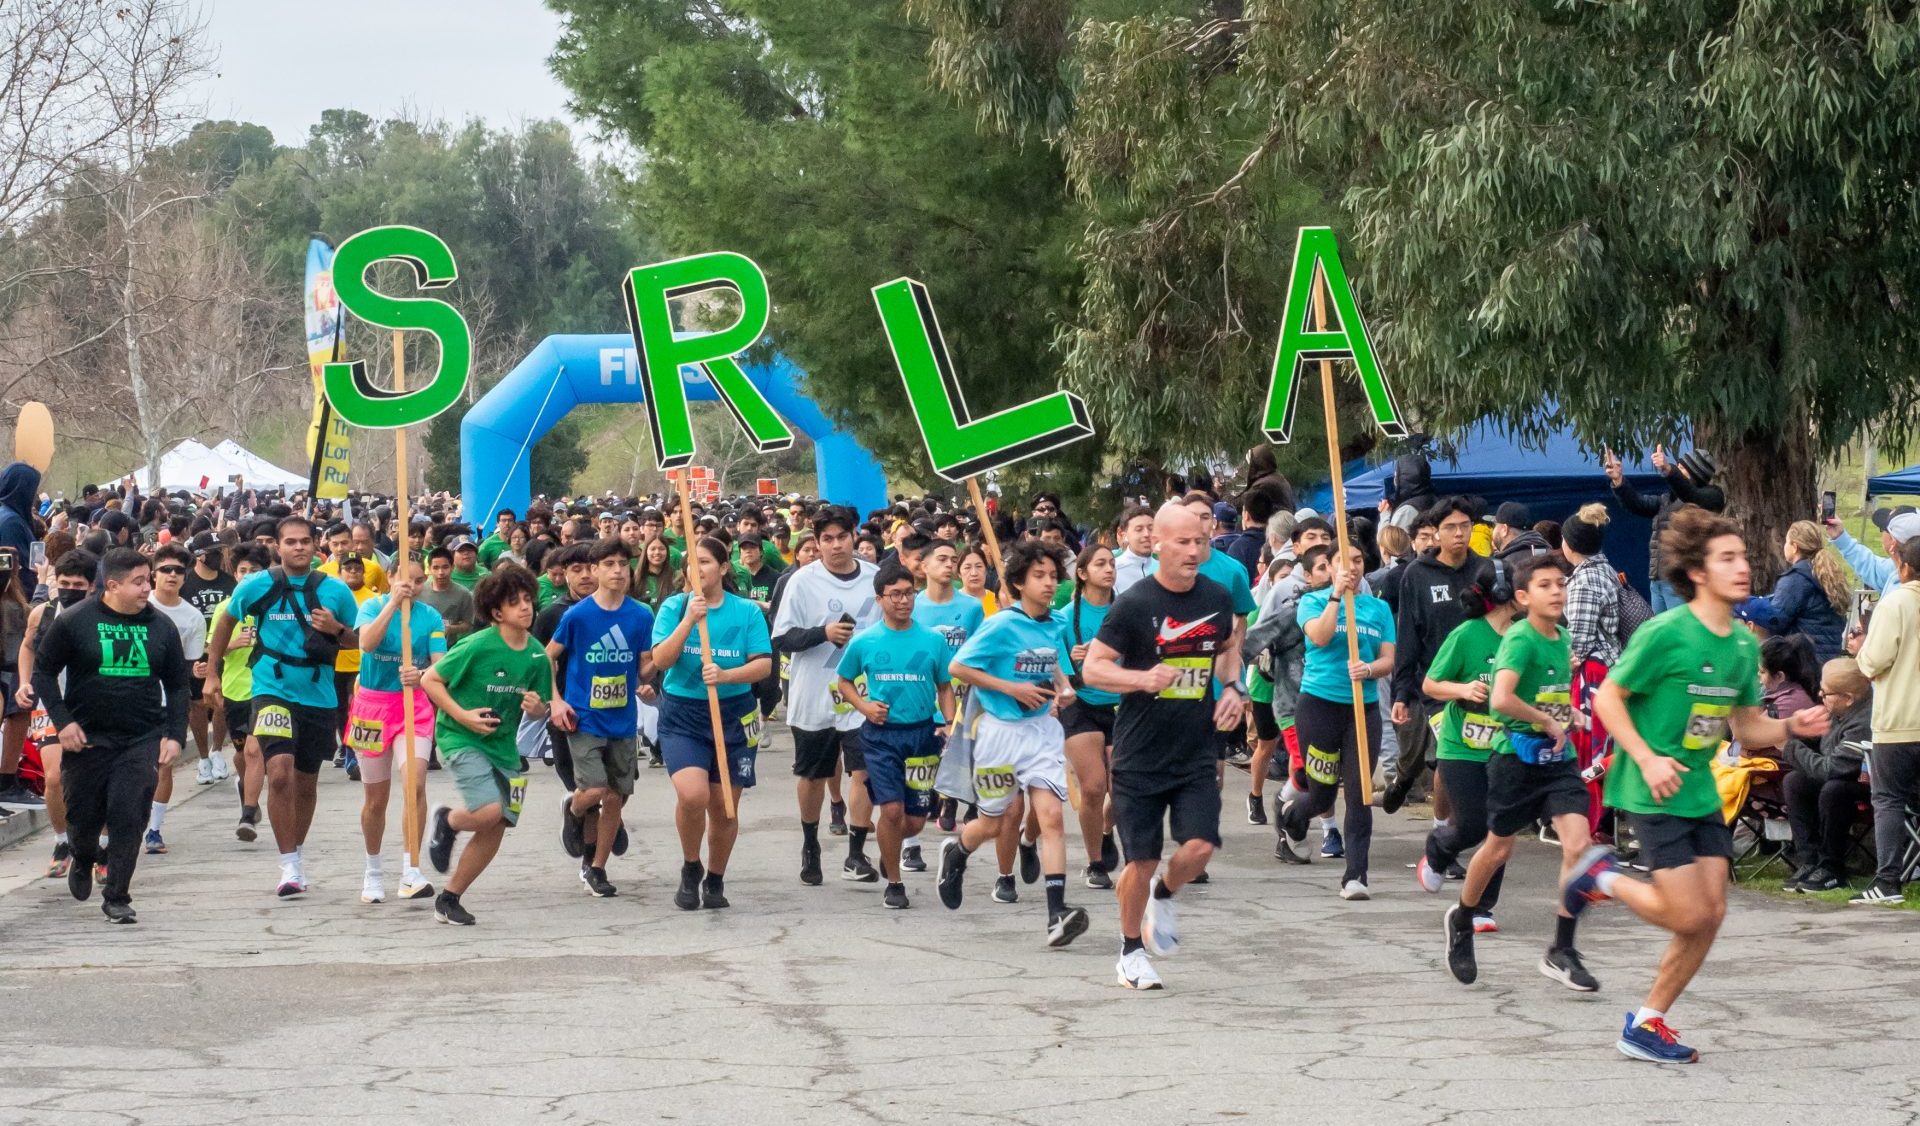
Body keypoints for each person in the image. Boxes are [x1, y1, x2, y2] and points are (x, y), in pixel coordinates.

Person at [1575, 506, 1829, 1062]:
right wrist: (1647, 758)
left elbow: (1747, 728)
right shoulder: (1665, 633)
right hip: (1651, 787)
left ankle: (1647, 1022)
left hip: (1698, 789)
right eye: (1727, 558)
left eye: (1743, 557)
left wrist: (1792, 725)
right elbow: (1609, 699)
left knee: (1710, 914)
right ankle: (1600, 875)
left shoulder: (1741, 645)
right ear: (1697, 572)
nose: (1743, 567)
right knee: (1688, 913)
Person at [1083, 501, 1244, 989]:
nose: (1194, 551)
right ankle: (1130, 951)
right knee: (1142, 859)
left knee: (1200, 848)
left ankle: (1166, 894)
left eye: (1201, 542)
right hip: (1140, 753)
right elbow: (1093, 668)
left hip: (1194, 748)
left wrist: (1232, 688)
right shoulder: (1134, 604)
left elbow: (1228, 648)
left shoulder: (1216, 597)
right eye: (1183, 542)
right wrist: (1140, 678)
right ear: (1157, 544)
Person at [1442, 554, 1605, 992]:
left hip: (1557, 761)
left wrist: (1569, 714)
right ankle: (1462, 919)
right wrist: (1547, 720)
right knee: (1498, 850)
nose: (1556, 591)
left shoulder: (1562, 637)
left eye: (1561, 584)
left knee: (1579, 844)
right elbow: (1501, 700)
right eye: (1545, 585)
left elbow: (1547, 694)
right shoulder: (1520, 639)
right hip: (1515, 760)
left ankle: (1562, 949)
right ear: (1522, 597)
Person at [937, 539, 1091, 947]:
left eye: (1053, 576)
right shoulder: (1001, 624)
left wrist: (1063, 687)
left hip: (1041, 731)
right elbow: (959, 667)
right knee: (994, 822)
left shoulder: (1055, 621)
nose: (1048, 583)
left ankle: (1056, 914)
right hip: (999, 734)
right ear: (1019, 582)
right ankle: (957, 852)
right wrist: (1012, 688)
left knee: (1052, 818)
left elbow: (1051, 659)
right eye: (1039, 576)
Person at [205, 515, 362, 898]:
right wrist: (212, 673)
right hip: (271, 688)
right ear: (278, 546)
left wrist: (336, 629)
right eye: (290, 541)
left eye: (305, 541)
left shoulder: (336, 591)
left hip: (318, 694)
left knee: (306, 782)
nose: (298, 547)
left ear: (315, 544)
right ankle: (288, 863)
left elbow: (358, 642)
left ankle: (298, 853)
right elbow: (225, 622)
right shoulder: (257, 584)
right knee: (278, 772)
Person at [33, 547, 190, 924]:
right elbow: (43, 673)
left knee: (129, 814)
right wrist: (63, 722)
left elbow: (178, 685)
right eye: (138, 582)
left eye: (148, 580)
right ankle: (82, 855)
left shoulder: (162, 627)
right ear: (112, 585)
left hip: (140, 736)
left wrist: (174, 735)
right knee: (84, 816)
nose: (147, 588)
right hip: (86, 738)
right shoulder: (75, 621)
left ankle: (117, 895)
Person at [421, 566, 552, 926]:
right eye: (515, 603)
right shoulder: (477, 645)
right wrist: (463, 716)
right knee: (488, 811)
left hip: (503, 746)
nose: (525, 607)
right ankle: (447, 820)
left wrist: (537, 708)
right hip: (459, 737)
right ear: (496, 612)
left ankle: (449, 898)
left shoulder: (537, 654)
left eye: (528, 600)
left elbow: (541, 706)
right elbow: (430, 679)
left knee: (498, 823)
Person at [651, 536, 772, 909]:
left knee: (724, 807)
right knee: (693, 795)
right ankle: (691, 866)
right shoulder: (674, 607)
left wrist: (726, 675)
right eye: (691, 562)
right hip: (683, 713)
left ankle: (715, 878)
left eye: (704, 561)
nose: (697, 568)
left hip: (734, 713)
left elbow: (763, 665)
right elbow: (661, 660)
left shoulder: (746, 611)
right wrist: (689, 619)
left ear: (723, 567)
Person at [1274, 544, 1395, 899]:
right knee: (1322, 793)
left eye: (1358, 561)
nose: (1353, 568)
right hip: (1319, 707)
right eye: (1344, 562)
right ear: (1329, 567)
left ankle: (1356, 876)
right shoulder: (1313, 602)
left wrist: (1369, 669)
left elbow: (1388, 659)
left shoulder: (1378, 608)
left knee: (1360, 794)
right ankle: (1291, 817)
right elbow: (1320, 636)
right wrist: (1336, 596)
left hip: (1362, 709)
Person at [772, 505, 880, 886]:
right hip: (814, 695)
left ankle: (856, 852)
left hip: (861, 697)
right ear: (816, 544)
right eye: (827, 539)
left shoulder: (875, 579)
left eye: (842, 537)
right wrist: (823, 633)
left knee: (863, 772)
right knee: (813, 776)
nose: (836, 546)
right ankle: (810, 844)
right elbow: (782, 638)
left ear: (855, 537)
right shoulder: (802, 581)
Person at [837, 564, 955, 908]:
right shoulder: (865, 641)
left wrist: (950, 723)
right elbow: (844, 681)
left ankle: (888, 848)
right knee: (891, 810)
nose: (904, 601)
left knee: (914, 821)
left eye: (909, 593)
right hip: (881, 737)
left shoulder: (933, 640)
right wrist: (865, 707)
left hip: (922, 736)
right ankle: (894, 883)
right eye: (895, 595)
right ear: (879, 599)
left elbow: (945, 686)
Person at [548, 538, 655, 899]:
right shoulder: (577, 616)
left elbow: (645, 664)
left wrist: (649, 682)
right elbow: (547, 657)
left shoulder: (641, 615)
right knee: (594, 790)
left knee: (616, 798)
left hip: (623, 719)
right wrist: (556, 700)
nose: (618, 571)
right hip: (584, 718)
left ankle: (597, 867)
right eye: (609, 564)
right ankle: (574, 807)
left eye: (623, 564)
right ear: (595, 571)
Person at [1412, 558, 1512, 929]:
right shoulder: (1467, 635)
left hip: (1504, 746)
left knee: (1499, 827)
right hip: (1461, 746)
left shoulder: (1524, 637)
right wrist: (1464, 689)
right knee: (1472, 826)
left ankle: (1483, 906)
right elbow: (1431, 684)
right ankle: (1439, 848)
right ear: (1505, 592)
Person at [349, 558, 446, 904]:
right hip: (372, 707)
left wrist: (421, 676)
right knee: (375, 799)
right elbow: (367, 644)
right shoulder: (370, 607)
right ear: (389, 577)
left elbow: (440, 666)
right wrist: (392, 603)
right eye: (406, 580)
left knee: (414, 784)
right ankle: (373, 871)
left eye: (419, 581)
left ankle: (411, 869)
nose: (412, 587)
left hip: (413, 706)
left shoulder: (431, 617)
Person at [1383, 498, 1480, 814]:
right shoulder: (1417, 574)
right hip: (1432, 684)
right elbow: (1407, 635)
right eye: (1450, 527)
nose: (1459, 533)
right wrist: (1401, 692)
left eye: (1465, 526)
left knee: (1454, 759)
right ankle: (1410, 787)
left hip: (1478, 683)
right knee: (1431, 756)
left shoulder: (1486, 569)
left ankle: (1456, 826)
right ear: (1437, 532)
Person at [13, 549, 98, 876]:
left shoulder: (102, 614)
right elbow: (27, 646)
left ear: (91, 586)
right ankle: (63, 840)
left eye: (78, 585)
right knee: (53, 777)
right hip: (50, 702)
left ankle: (102, 845)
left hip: (92, 704)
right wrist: (25, 683)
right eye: (64, 583)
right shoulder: (43, 613)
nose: (70, 589)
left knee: (97, 779)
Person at [1848, 534, 1920, 905]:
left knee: (1889, 799)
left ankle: (1888, 881)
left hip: (1899, 720)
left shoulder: (1896, 603)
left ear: (1904, 567)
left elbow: (1874, 661)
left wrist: (1861, 654)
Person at [910, 537, 985, 868]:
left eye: (953, 559)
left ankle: (956, 803)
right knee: (916, 770)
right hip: (921, 698)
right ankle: (910, 844)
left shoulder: (971, 607)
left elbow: (980, 651)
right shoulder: (912, 605)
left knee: (960, 759)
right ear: (923, 565)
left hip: (962, 700)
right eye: (941, 558)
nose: (949, 564)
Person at [1057, 543, 1122, 889]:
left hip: (1123, 705)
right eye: (1100, 564)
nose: (1109, 569)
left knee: (1123, 789)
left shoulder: (1125, 611)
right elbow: (1058, 671)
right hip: (1080, 704)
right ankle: (1095, 862)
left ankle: (1107, 831)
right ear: (1082, 573)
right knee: (1094, 786)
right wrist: (1074, 658)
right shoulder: (1066, 617)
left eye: (1112, 563)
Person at [1780, 658, 1872, 892]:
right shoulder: (1838, 711)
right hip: (1844, 780)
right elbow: (1820, 747)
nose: (1820, 694)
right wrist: (1797, 729)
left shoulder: (1863, 722)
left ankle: (1832, 867)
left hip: (1871, 786)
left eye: (1826, 692)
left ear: (1848, 698)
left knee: (1834, 790)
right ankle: (1809, 860)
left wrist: (1788, 746)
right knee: (1795, 781)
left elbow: (1830, 769)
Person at [141, 544, 206, 854]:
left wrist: (201, 672)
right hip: (134, 700)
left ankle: (154, 829)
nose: (172, 575)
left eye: (178, 570)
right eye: (165, 569)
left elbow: (189, 667)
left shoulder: (193, 617)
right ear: (153, 574)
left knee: (164, 765)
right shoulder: (139, 606)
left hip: (169, 701)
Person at [1606, 445, 1726, 612]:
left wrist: (1668, 470)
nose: (1676, 469)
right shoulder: (1666, 500)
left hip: (1682, 582)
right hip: (1658, 581)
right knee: (1663, 627)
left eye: (1681, 468)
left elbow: (1691, 495)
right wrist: (1619, 480)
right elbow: (1638, 503)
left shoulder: (1711, 498)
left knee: (1681, 627)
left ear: (1695, 473)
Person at [214, 545, 271, 839]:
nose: (248, 576)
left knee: (253, 750)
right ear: (234, 574)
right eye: (242, 571)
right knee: (241, 755)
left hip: (267, 689)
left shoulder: (273, 604)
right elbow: (213, 649)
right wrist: (233, 644)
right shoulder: (225, 608)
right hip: (234, 689)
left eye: (255, 571)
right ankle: (246, 786)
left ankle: (247, 816)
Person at [1740, 521, 1848, 663]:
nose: (1784, 546)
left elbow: (1775, 619)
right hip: (1830, 660)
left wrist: (1744, 606)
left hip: (1806, 662)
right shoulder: (1827, 574)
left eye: (1787, 542)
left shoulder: (1796, 578)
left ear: (1794, 547)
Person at [182, 533, 236, 784]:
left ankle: (217, 750)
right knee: (197, 704)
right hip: (195, 654)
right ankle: (203, 757)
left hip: (226, 651)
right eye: (213, 552)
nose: (218, 556)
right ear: (200, 555)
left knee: (221, 702)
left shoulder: (229, 582)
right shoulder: (186, 583)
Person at [1824, 509, 1920, 596]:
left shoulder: (1900, 598)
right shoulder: (1895, 567)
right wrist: (1841, 538)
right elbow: (1873, 568)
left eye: (1883, 529)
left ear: (1893, 543)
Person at [420, 546, 476, 646]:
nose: (441, 573)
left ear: (452, 567)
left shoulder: (463, 594)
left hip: (448, 647)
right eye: (436, 568)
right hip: (421, 647)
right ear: (429, 569)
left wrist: (450, 629)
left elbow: (468, 624)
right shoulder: (419, 591)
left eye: (445, 567)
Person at [1112, 506, 1156, 595]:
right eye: (1139, 529)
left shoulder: (1164, 568)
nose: (1146, 534)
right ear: (1124, 535)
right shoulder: (1113, 570)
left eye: (1151, 528)